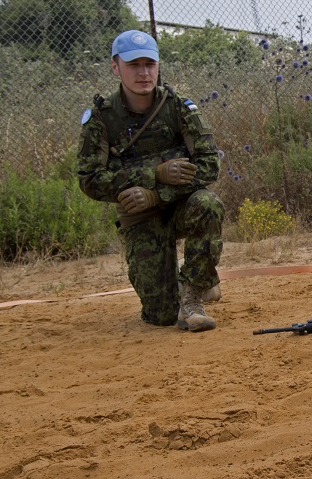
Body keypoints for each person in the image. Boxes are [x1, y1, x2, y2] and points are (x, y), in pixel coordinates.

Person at [77, 30, 224, 331]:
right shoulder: (101, 119)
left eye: (150, 64)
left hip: (182, 206)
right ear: (115, 67)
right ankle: (200, 277)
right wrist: (154, 173)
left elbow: (209, 166)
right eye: (133, 65)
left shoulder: (179, 108)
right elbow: (90, 180)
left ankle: (193, 297)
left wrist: (157, 195)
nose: (143, 73)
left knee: (208, 204)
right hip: (139, 217)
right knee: (159, 316)